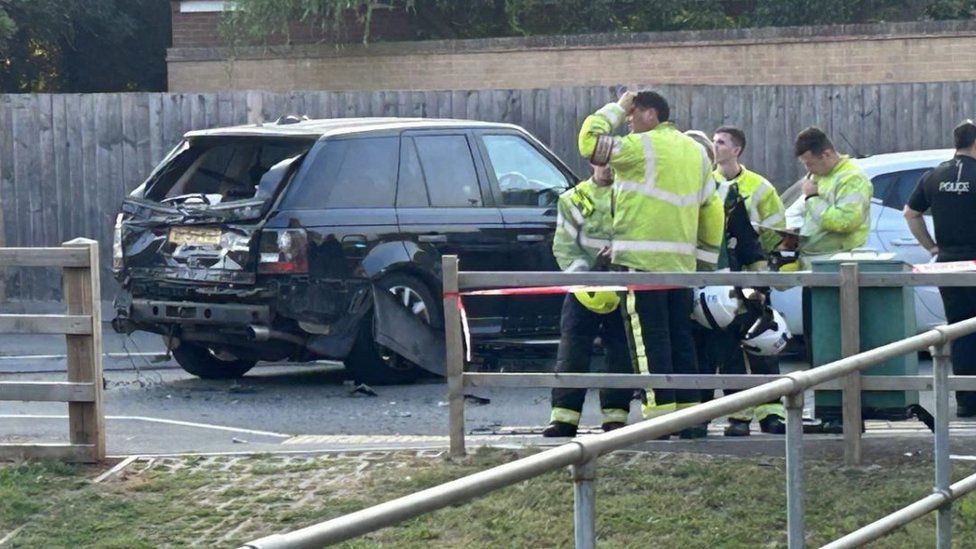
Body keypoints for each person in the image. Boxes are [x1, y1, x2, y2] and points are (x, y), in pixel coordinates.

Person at [578, 90, 724, 439]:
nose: (628, 120)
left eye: (633, 113)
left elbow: (589, 143)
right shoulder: (695, 152)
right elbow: (711, 209)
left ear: (650, 114)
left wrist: (615, 106)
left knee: (650, 342)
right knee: (681, 340)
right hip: (680, 266)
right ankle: (691, 419)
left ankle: (659, 420)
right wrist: (703, 262)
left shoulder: (638, 148)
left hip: (640, 264)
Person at [707, 126, 788, 436]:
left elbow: (775, 231)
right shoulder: (708, 185)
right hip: (720, 277)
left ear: (737, 149)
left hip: (752, 272)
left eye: (721, 142)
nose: (715, 146)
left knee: (762, 344)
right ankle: (738, 417)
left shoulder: (760, 186)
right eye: (714, 141)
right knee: (727, 349)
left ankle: (772, 414)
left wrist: (765, 271)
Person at [542, 164, 634, 438]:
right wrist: (589, 274)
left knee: (620, 354)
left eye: (612, 162)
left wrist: (621, 257)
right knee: (572, 353)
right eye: (601, 162)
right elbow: (564, 246)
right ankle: (563, 419)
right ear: (591, 162)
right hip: (585, 288)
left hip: (623, 284)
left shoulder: (632, 196)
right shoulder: (574, 199)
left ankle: (616, 418)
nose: (607, 168)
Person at [904, 120, 976, 418]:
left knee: (959, 330)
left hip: (950, 264)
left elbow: (911, 213)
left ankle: (966, 401)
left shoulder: (934, 175)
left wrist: (932, 247)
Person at [793, 127, 873, 269]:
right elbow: (808, 214)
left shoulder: (852, 179)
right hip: (815, 261)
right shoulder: (818, 176)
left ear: (826, 154)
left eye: (810, 163)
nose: (808, 169)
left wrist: (812, 197)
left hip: (838, 263)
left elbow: (845, 222)